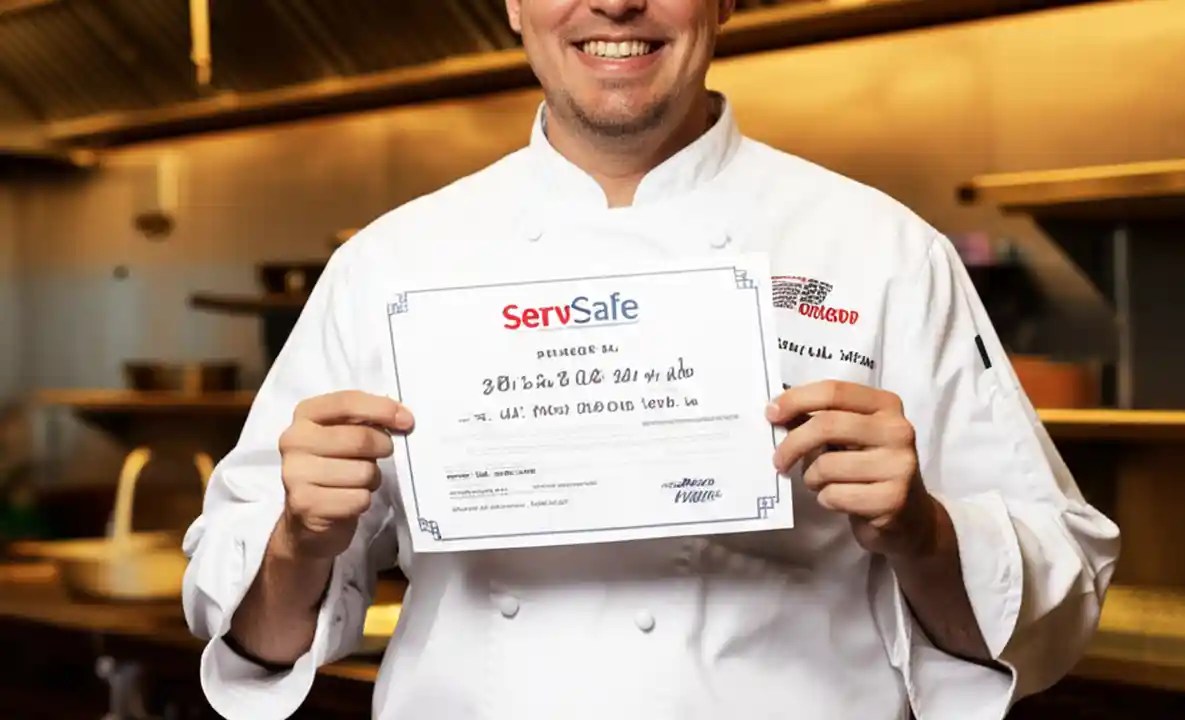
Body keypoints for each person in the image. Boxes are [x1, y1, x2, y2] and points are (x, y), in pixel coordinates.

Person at [182, 0, 1121, 718]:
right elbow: (249, 636)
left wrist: (922, 532)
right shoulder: (389, 265)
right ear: (513, 3)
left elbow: (1059, 601)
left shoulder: (880, 251)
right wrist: (297, 542)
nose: (616, 2)